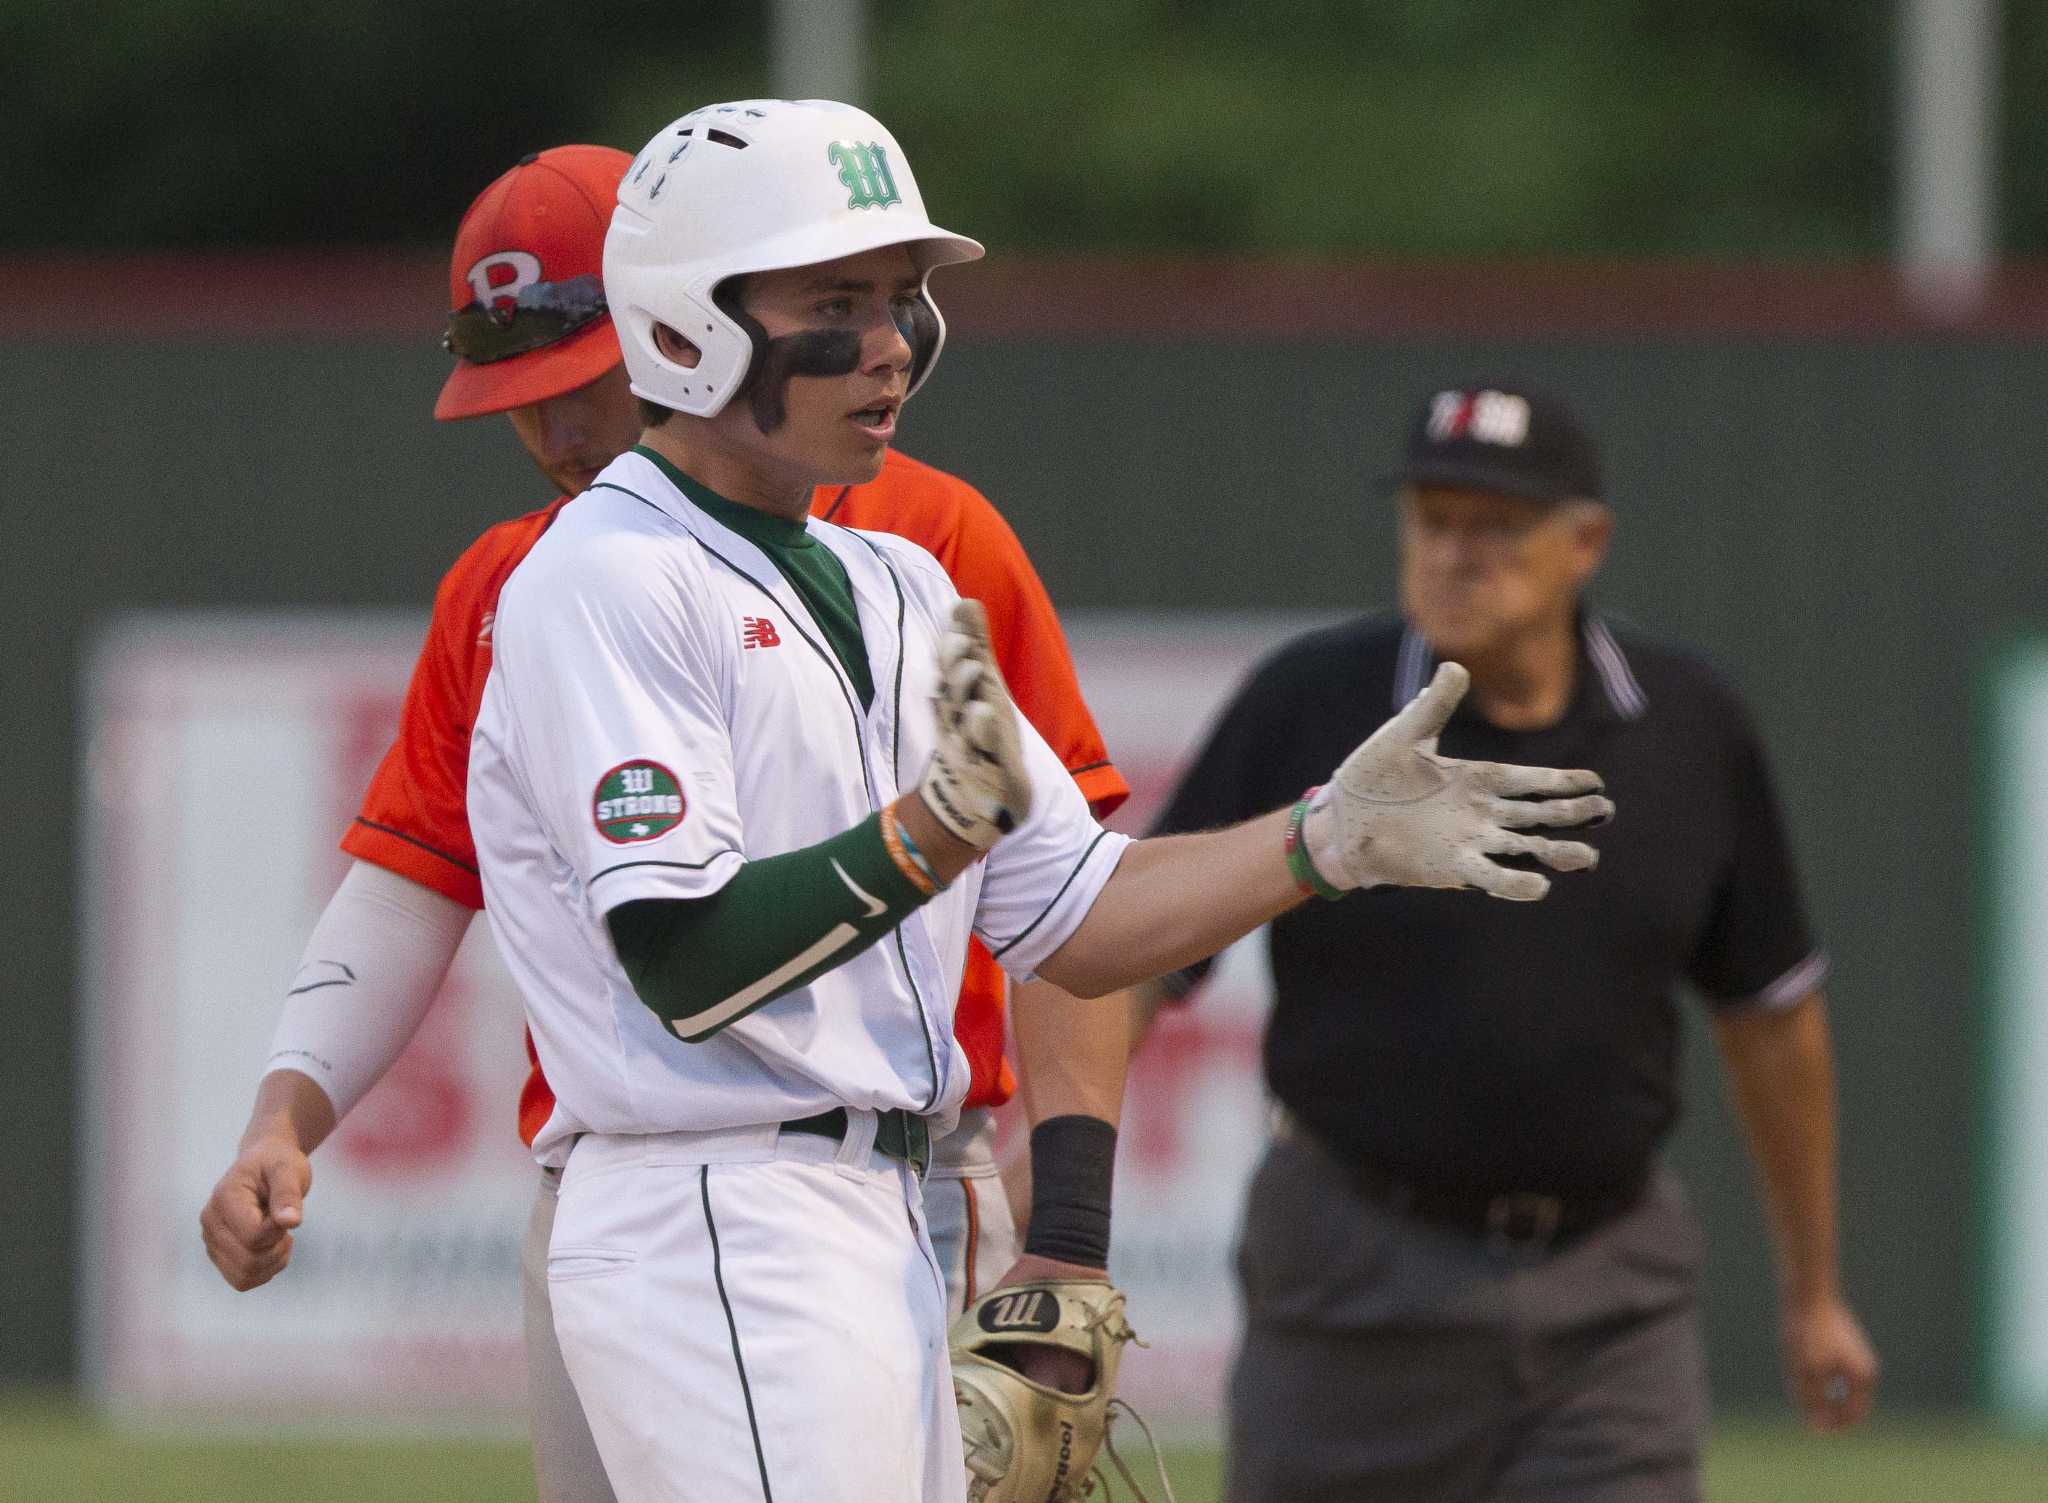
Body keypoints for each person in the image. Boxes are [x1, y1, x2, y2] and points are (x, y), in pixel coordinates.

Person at [471, 100, 1611, 1503]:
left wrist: (1324, 838)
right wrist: (923, 837)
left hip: (876, 1211)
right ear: (689, 322)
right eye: (838, 301)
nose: (893, 343)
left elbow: (1077, 915)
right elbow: (686, 960)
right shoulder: (608, 575)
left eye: (905, 298)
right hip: (711, 1206)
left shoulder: (894, 582)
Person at [196, 141, 1136, 1502]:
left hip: (909, 1172)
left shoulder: (930, 544)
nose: (548, 435)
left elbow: (1075, 901)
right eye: (508, 400)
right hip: (618, 1183)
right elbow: (414, 875)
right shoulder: (524, 578)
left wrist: (1078, 1229)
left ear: (679, 325)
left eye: (572, 385)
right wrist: (287, 1109)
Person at [1147, 380, 1879, 1503]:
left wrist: (1812, 1291)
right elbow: (1140, 948)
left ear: (1584, 541)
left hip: (1608, 1290)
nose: (1455, 553)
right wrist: (1052, 1201)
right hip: (1352, 1274)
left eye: (1495, 526)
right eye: (1432, 521)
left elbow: (1771, 1014)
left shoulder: (1685, 723)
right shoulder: (1312, 701)